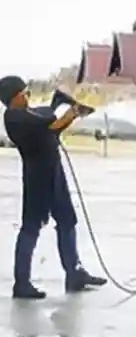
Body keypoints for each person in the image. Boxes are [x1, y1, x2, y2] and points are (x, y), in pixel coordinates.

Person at [0, 76, 106, 299]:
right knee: (31, 227)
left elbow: (48, 121)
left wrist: (62, 107)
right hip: (37, 177)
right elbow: (49, 124)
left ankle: (74, 273)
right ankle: (22, 283)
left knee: (67, 220)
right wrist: (70, 112)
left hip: (53, 173)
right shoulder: (14, 117)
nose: (28, 96)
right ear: (14, 97)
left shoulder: (27, 114)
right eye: (24, 93)